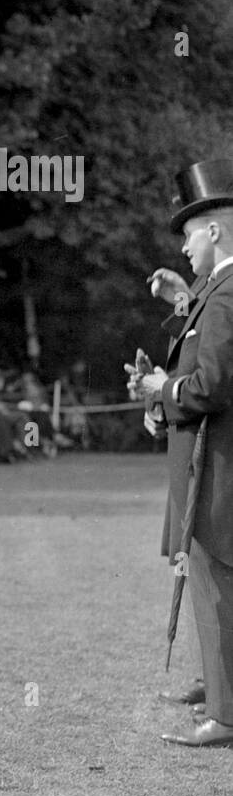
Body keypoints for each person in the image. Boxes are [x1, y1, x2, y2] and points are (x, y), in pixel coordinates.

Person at [136, 160, 233, 747]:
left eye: (190, 233)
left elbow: (210, 387)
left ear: (216, 232)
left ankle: (225, 716)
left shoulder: (226, 295)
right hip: (206, 462)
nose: (183, 245)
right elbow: (198, 362)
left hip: (216, 470)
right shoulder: (215, 293)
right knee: (211, 587)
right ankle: (221, 689)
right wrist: (160, 396)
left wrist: (160, 391)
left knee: (217, 588)